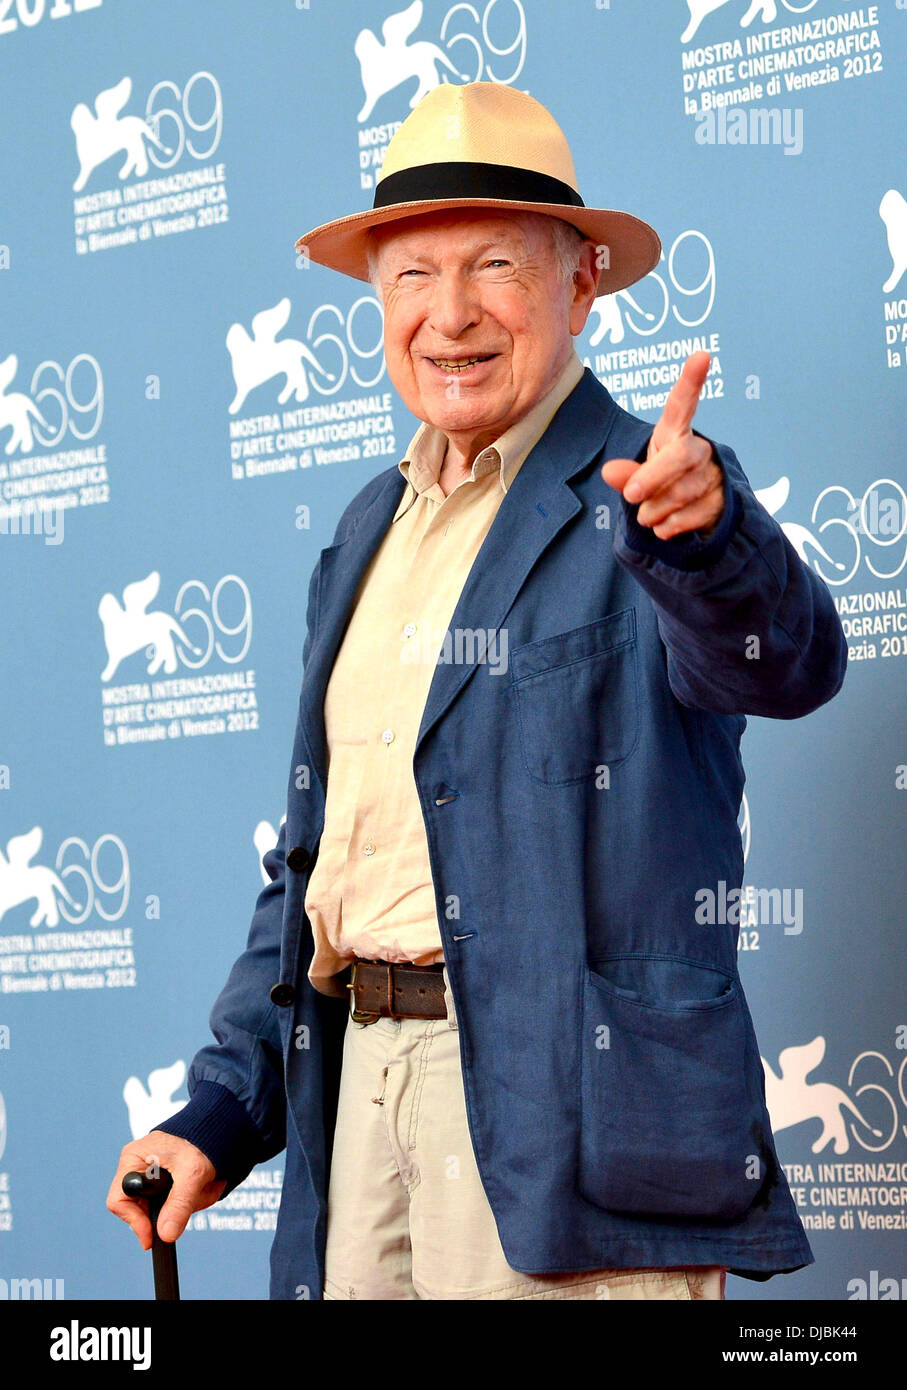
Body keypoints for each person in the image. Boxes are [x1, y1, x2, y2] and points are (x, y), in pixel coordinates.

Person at [107, 81, 847, 1300]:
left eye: (495, 265)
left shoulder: (648, 496)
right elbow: (317, 868)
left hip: (570, 1120)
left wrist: (707, 539)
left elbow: (786, 660)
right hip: (364, 1097)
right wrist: (217, 1112)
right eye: (409, 278)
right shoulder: (363, 531)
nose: (447, 316)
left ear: (581, 282)